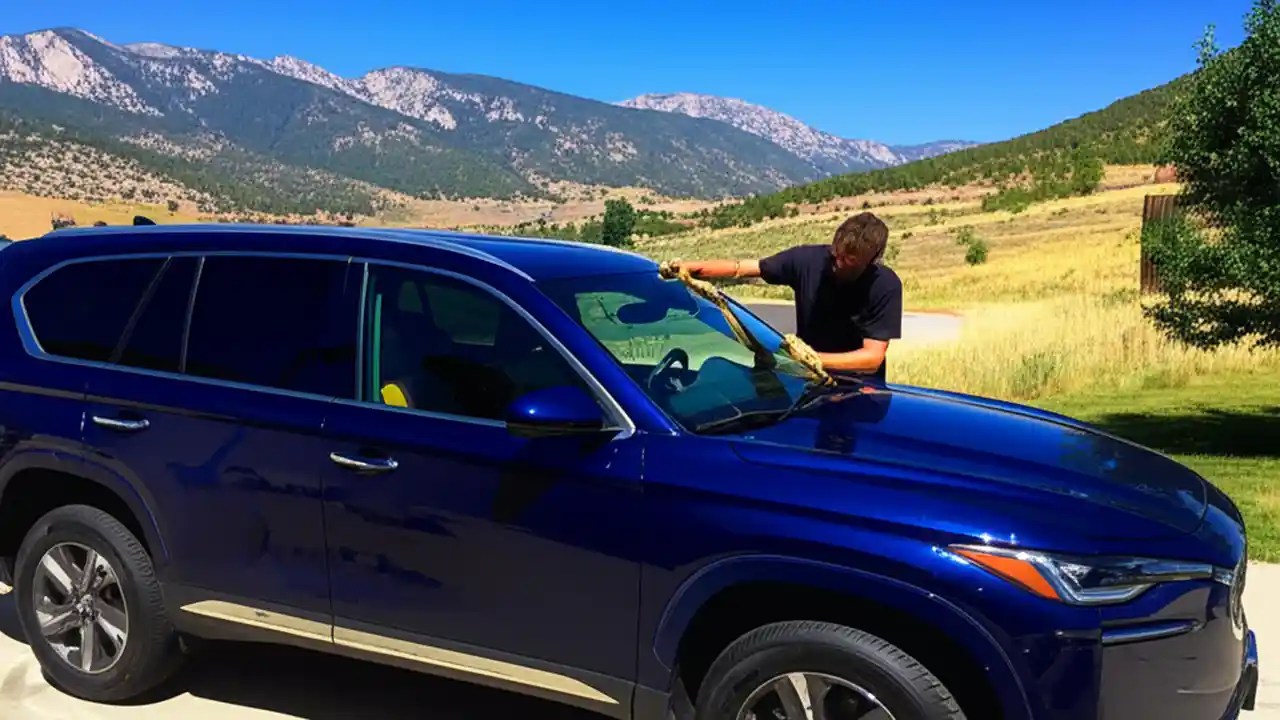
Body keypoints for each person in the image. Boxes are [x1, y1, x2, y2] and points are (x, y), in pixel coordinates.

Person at [670, 212, 902, 381]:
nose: (838, 266)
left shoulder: (885, 286)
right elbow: (741, 268)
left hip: (860, 389)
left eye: (849, 264)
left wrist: (808, 358)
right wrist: (689, 268)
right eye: (835, 257)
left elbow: (871, 359)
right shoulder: (806, 260)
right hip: (808, 382)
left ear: (872, 261)